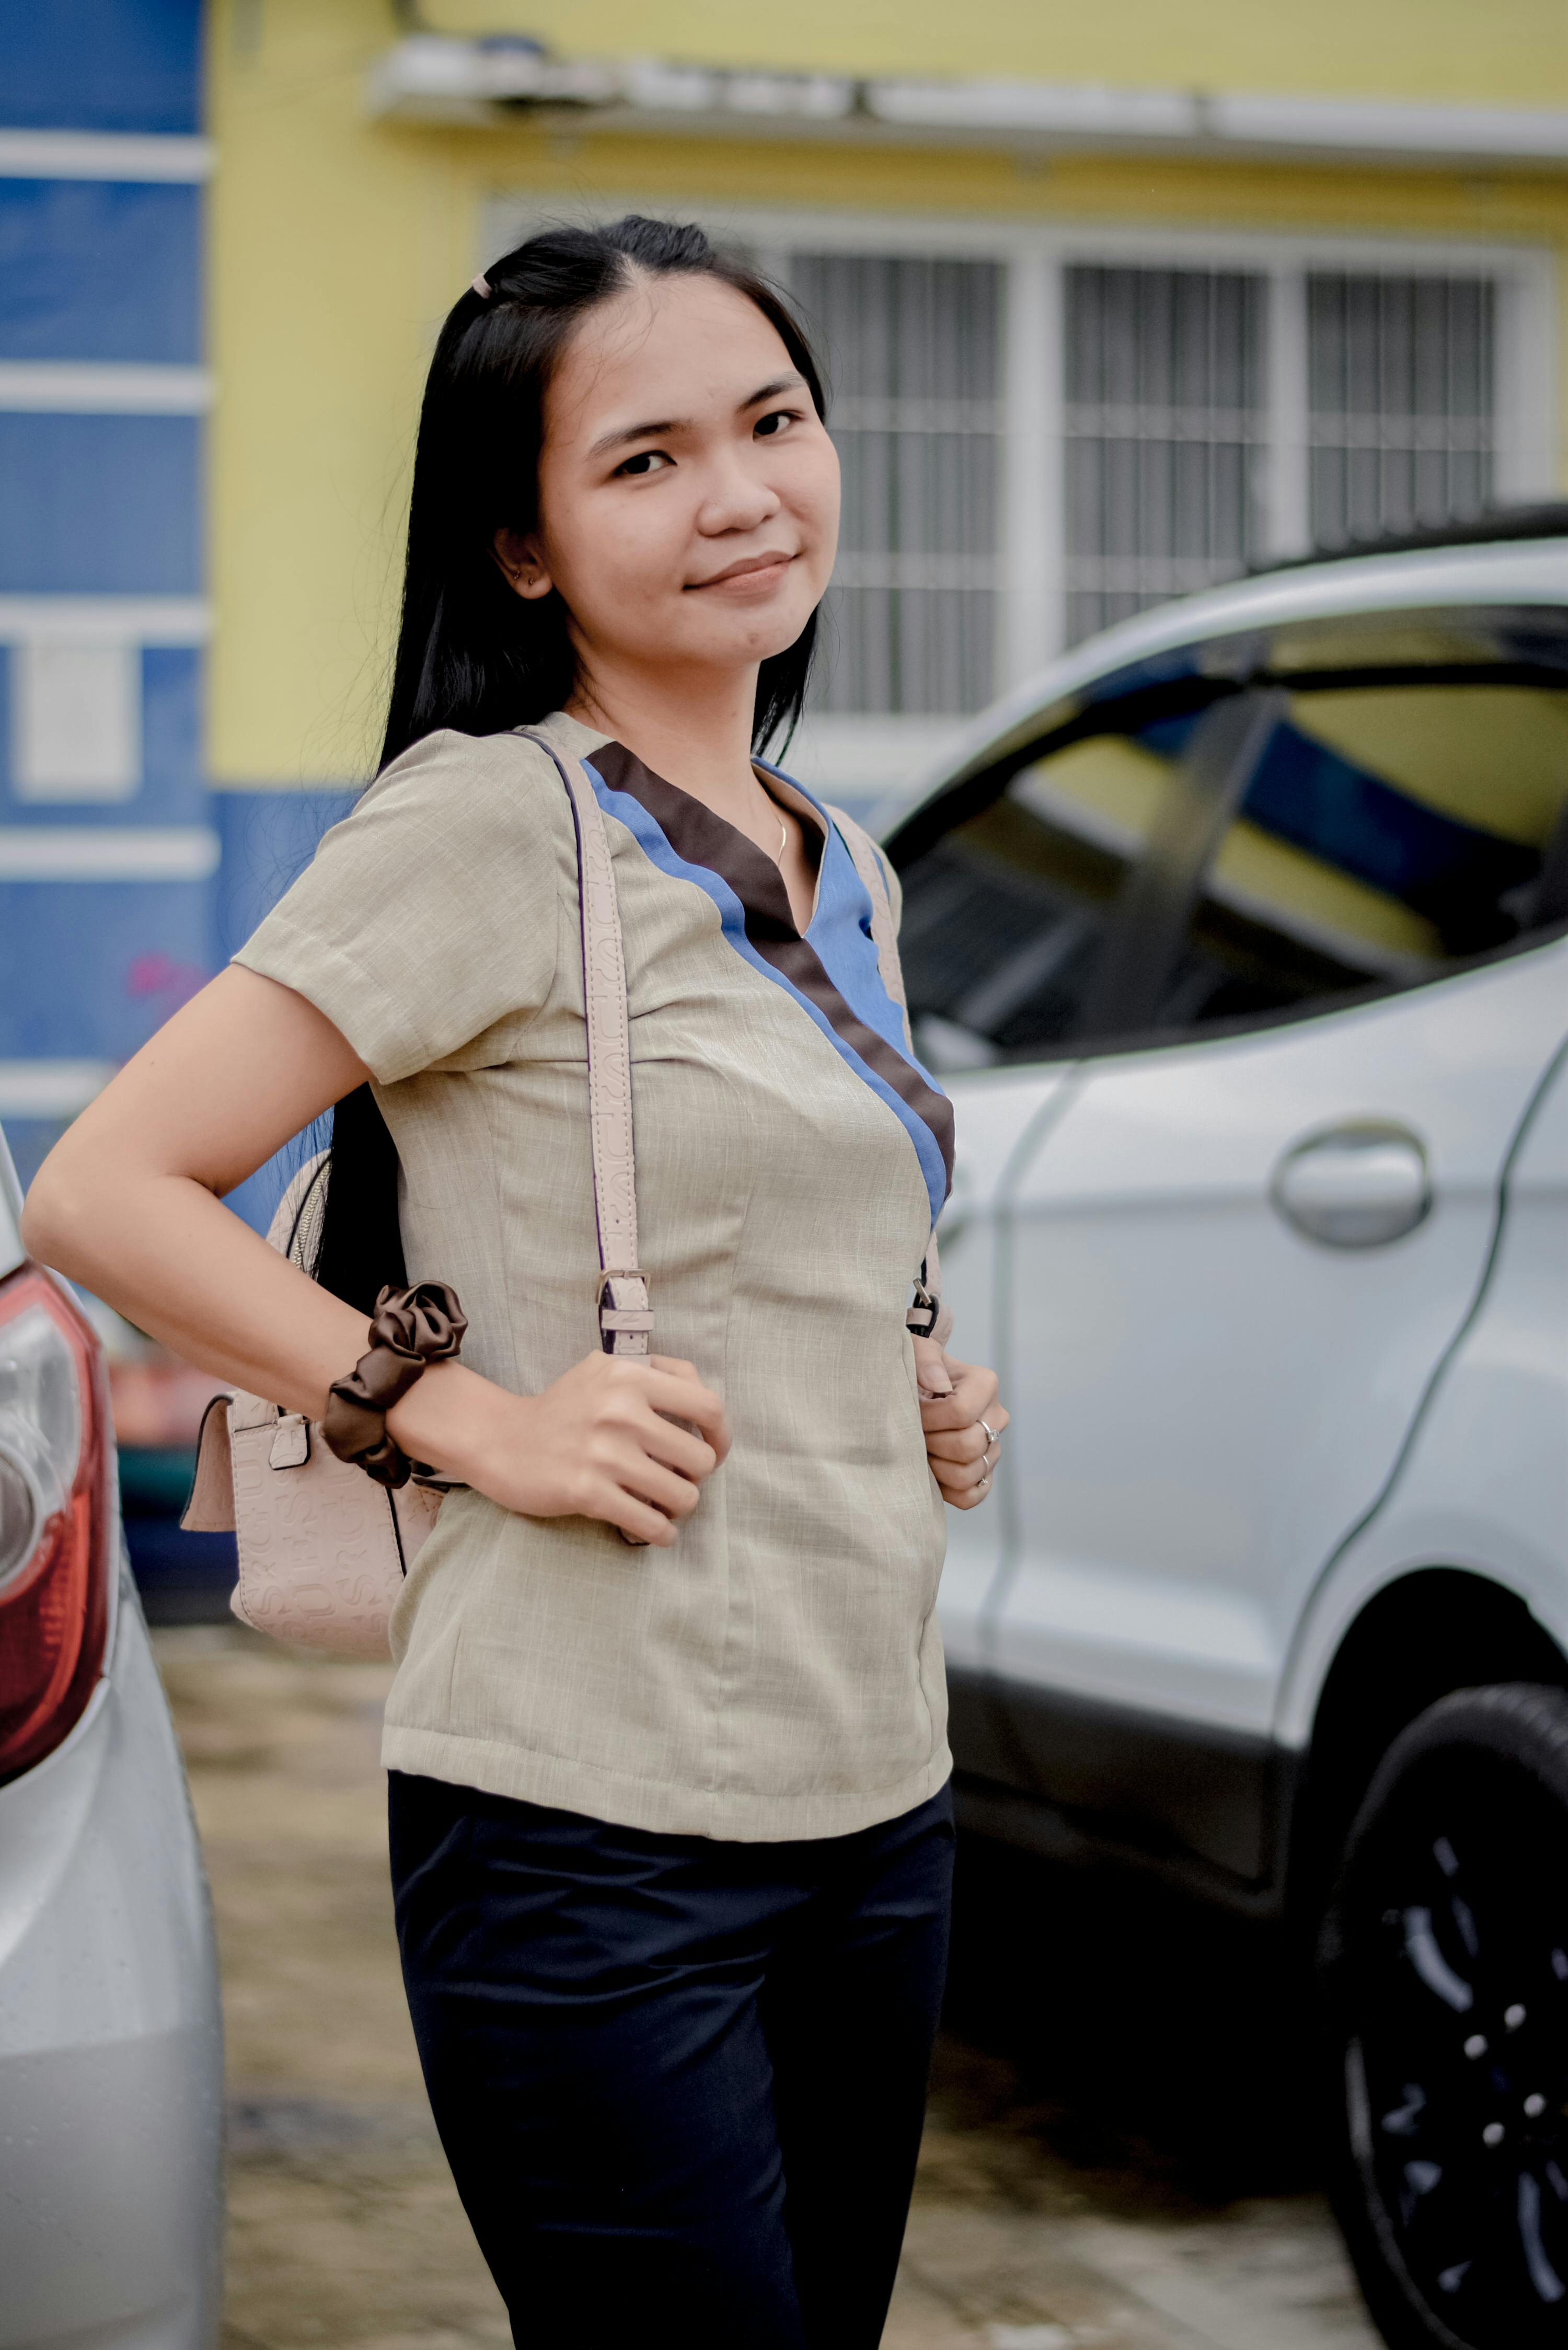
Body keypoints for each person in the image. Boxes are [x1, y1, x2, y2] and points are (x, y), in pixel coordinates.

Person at [24, 215, 1008, 2347]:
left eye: (772, 422)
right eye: (645, 457)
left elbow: (774, 1217)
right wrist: (466, 1414)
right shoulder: (492, 820)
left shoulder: (856, 857)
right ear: (527, 544)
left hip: (878, 1804)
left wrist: (918, 1378)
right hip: (594, 1833)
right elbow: (110, 1183)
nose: (742, 490)